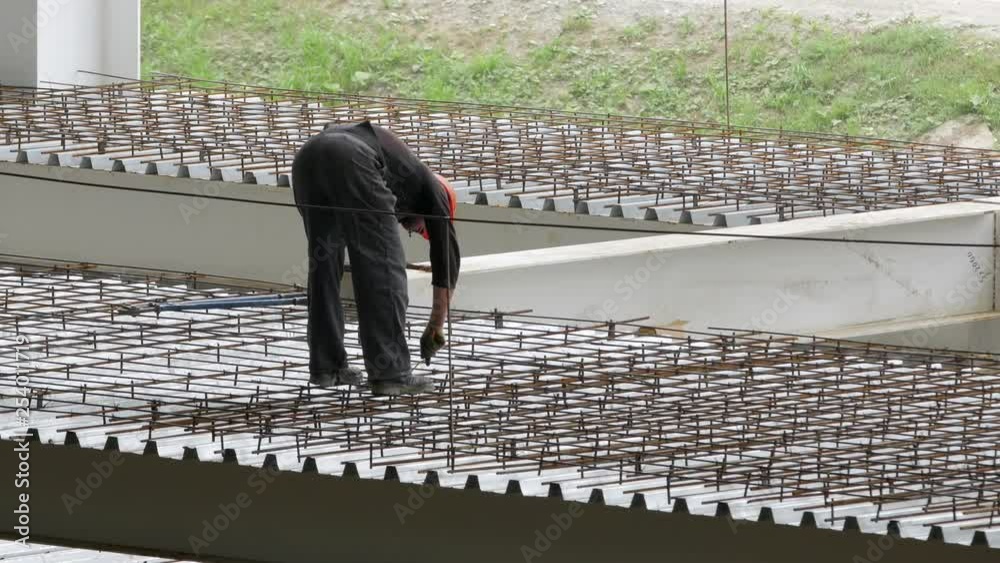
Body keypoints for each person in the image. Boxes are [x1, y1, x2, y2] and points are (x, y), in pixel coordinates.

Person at [291, 120, 460, 396]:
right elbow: (447, 264)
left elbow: (445, 264)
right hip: (352, 158)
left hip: (309, 159)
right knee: (384, 266)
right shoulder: (437, 193)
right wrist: (435, 326)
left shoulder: (402, 176)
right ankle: (391, 373)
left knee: (324, 265)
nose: (414, 230)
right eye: (421, 229)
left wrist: (435, 325)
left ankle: (327, 368)